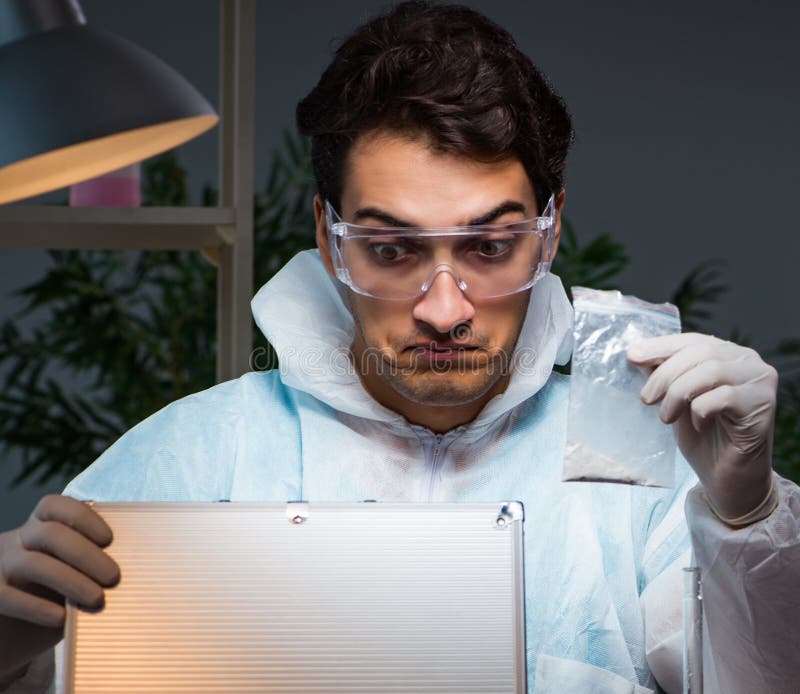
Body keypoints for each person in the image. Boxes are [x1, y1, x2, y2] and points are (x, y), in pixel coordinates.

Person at [1, 2, 797, 692]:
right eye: (392, 250)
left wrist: (749, 515)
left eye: (491, 247)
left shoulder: (648, 469)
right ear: (328, 236)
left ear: (550, 232)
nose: (445, 310)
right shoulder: (192, 461)